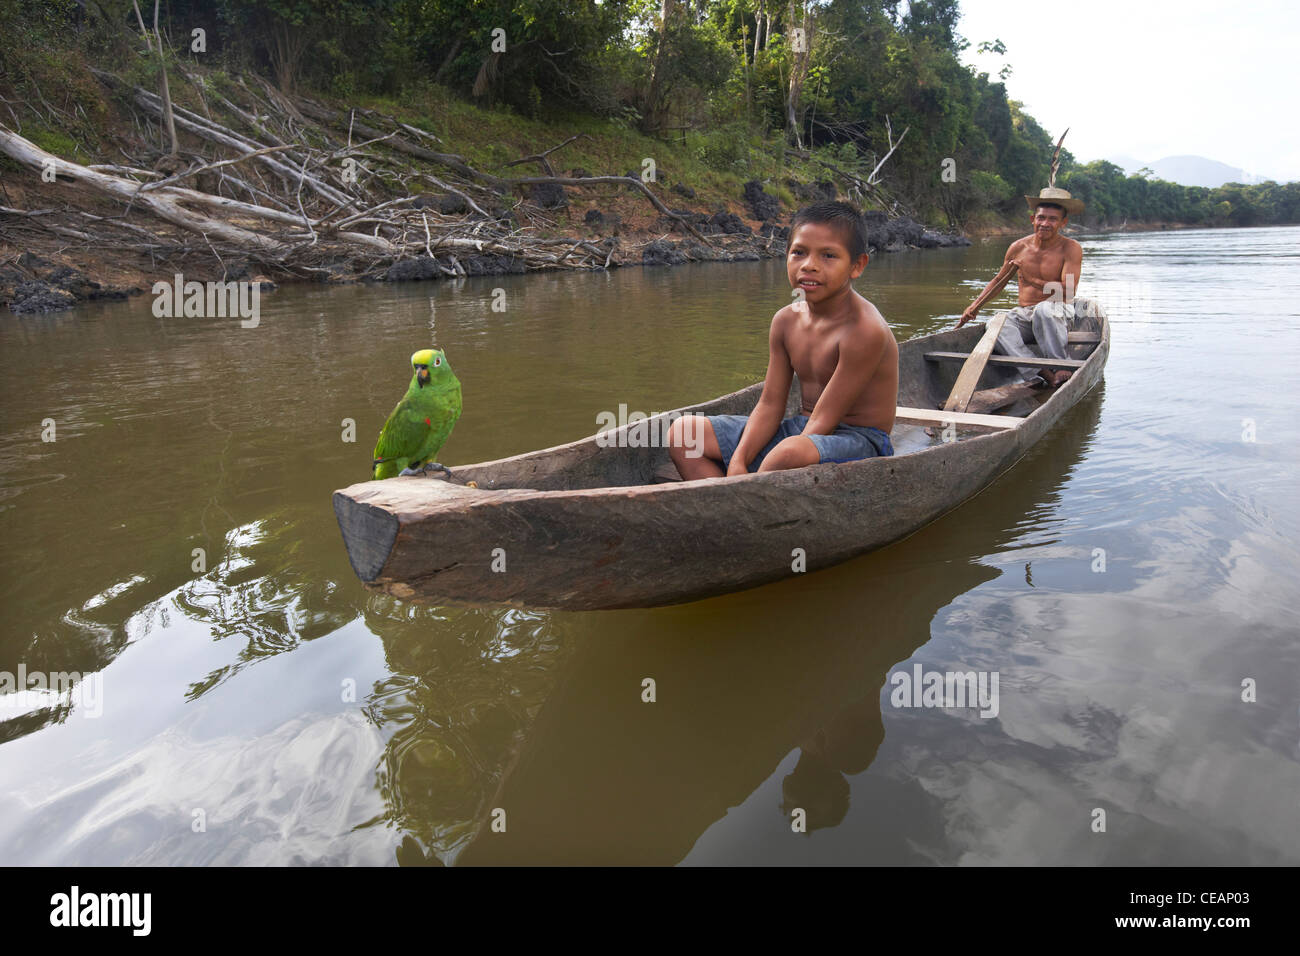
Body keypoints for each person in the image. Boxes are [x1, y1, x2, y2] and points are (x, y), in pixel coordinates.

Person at [666, 200, 897, 479]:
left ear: (857, 265)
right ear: (786, 255)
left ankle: (747, 499)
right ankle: (727, 503)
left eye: (828, 256)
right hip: (800, 429)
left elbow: (824, 419)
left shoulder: (864, 330)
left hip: (859, 440)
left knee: (787, 453)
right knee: (683, 434)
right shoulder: (785, 322)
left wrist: (773, 462)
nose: (809, 266)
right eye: (799, 252)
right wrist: (740, 460)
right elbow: (770, 404)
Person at [958, 186, 1084, 388]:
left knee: (1044, 309)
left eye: (1052, 219)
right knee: (995, 324)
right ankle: (1041, 373)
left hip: (1058, 313)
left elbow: (1068, 291)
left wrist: (1031, 279)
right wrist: (974, 306)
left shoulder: (1071, 248)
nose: (1045, 223)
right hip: (1026, 314)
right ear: (1032, 219)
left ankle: (1061, 366)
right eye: (1041, 218)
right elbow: (998, 281)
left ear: (1063, 222)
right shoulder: (1018, 247)